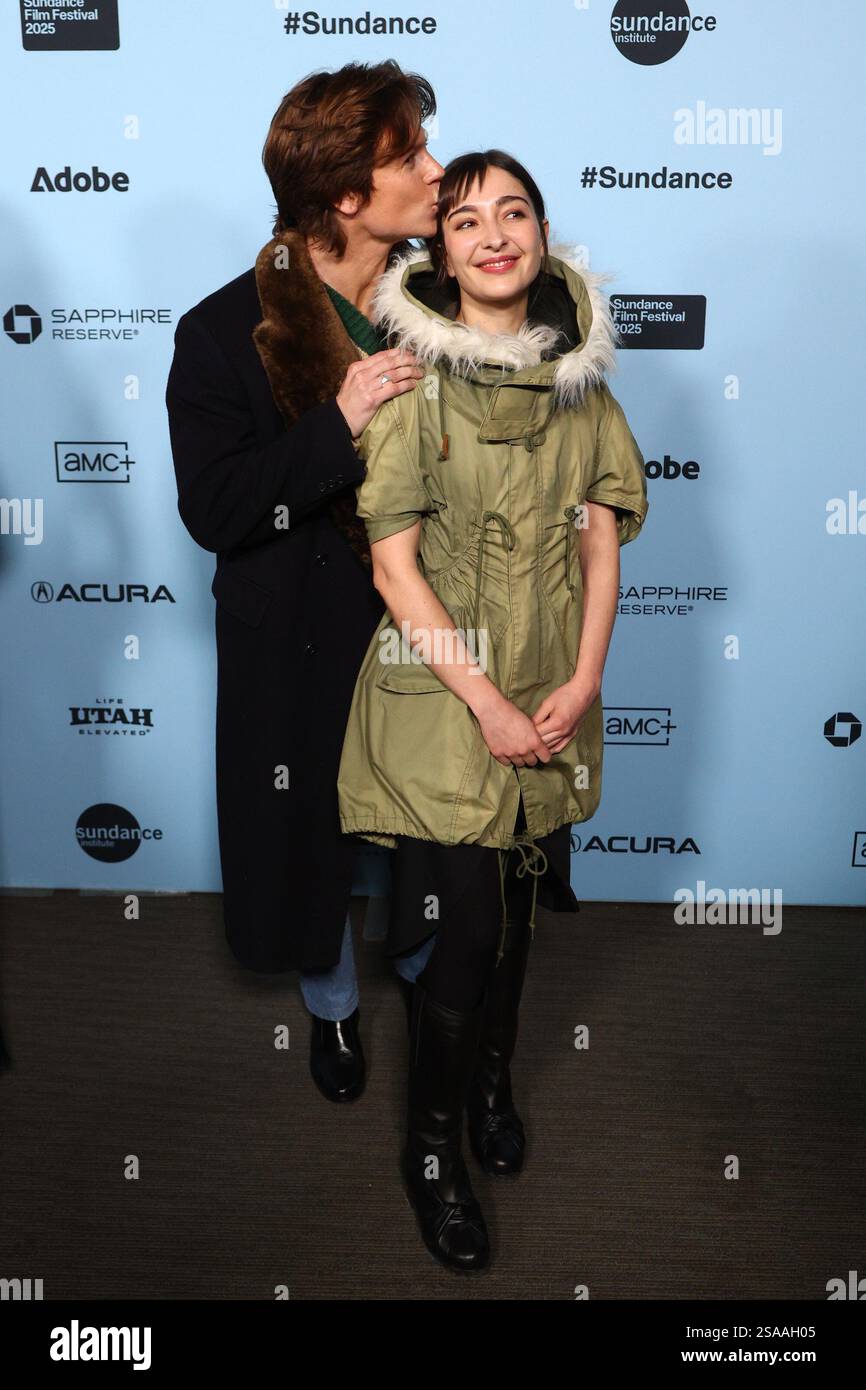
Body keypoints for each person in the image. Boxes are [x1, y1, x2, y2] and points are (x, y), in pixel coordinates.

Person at [337, 150, 649, 1272]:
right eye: (465, 219)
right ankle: (431, 1156)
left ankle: (491, 1081)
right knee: (463, 928)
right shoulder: (413, 382)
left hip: (551, 689)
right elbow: (390, 569)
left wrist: (580, 679)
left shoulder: (584, 384)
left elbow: (600, 542)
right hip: (441, 692)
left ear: (540, 234)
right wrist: (483, 702)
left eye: (512, 212)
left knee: (516, 913)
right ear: (440, 251)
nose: (492, 233)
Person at [165, 61, 445, 1103]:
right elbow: (220, 511)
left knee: (429, 829)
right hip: (295, 636)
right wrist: (340, 422)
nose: (433, 171)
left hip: (423, 626)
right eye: (405, 157)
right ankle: (331, 1013)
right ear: (343, 196)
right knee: (307, 830)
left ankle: (429, 989)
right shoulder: (217, 332)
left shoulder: (448, 306)